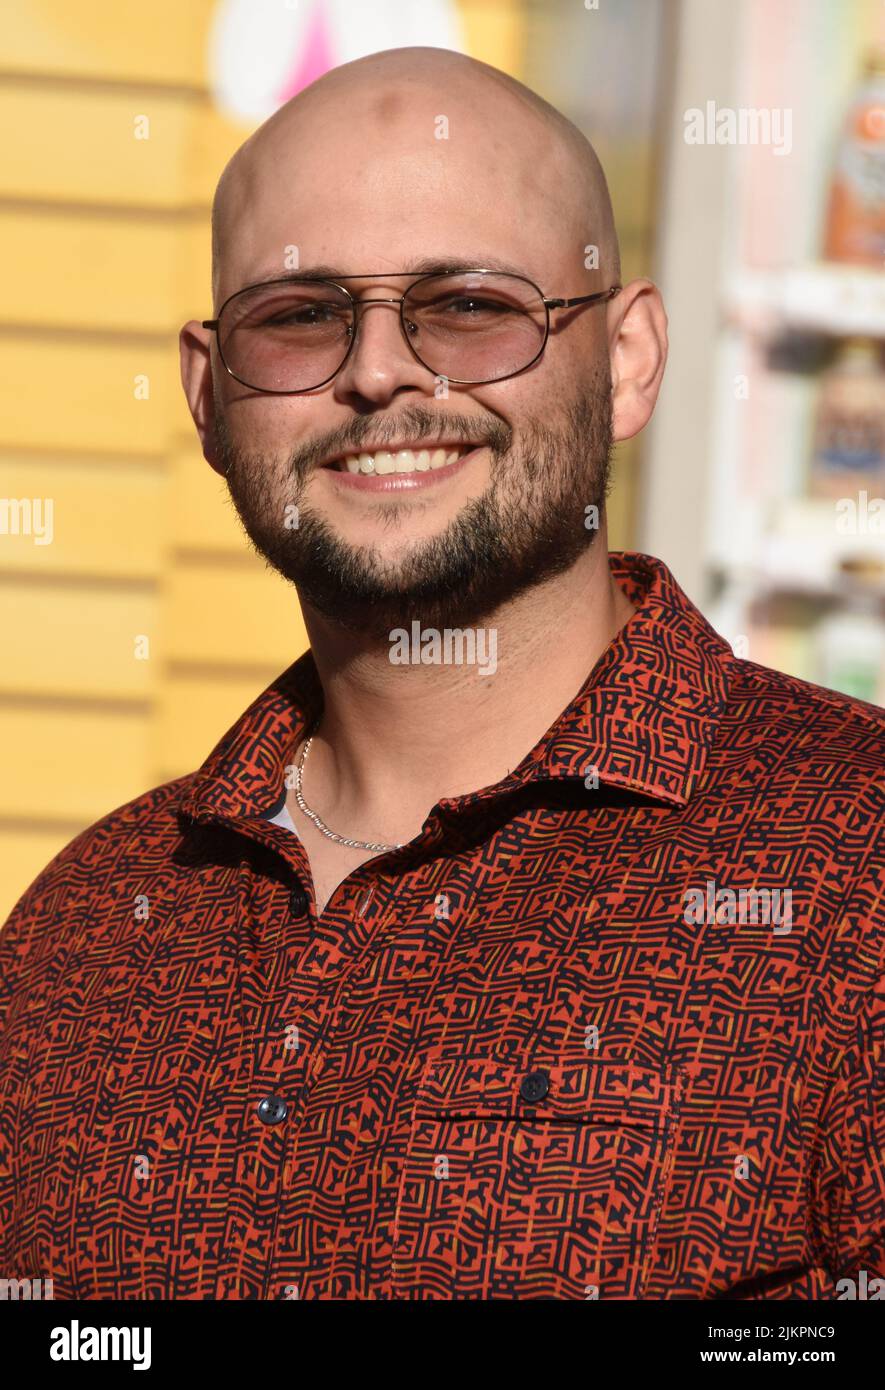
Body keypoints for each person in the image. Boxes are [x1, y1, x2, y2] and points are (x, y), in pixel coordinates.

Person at [0, 46, 882, 1301]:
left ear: (628, 358)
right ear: (209, 393)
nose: (379, 371)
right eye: (299, 315)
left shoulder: (858, 870)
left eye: (469, 306)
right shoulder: (79, 935)